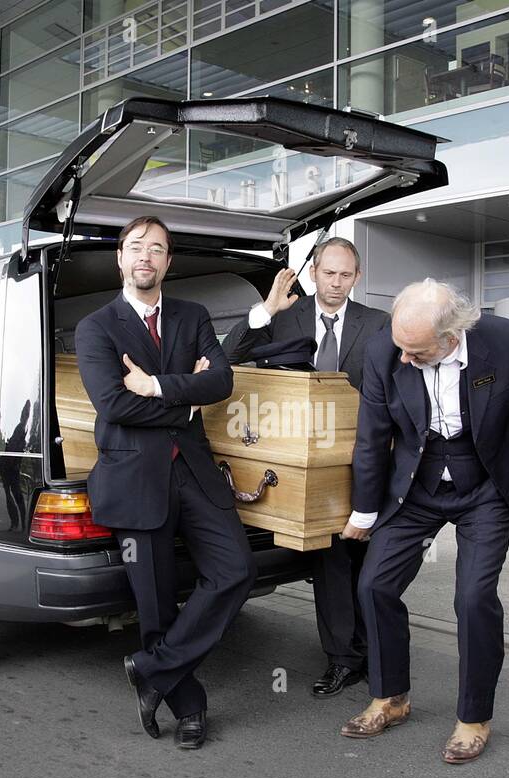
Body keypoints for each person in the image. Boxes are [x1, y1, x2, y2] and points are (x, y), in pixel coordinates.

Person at [338, 280, 509, 764]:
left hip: (485, 485)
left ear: (453, 334)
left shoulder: (501, 340)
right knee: (374, 585)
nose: (404, 360)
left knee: (474, 599)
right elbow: (371, 436)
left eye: (417, 352)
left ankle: (474, 717)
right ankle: (390, 697)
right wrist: (364, 512)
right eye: (401, 348)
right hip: (416, 482)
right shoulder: (384, 350)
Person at [74, 215, 258, 750]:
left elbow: (220, 380)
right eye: (136, 247)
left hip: (195, 470)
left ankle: (150, 668)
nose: (146, 257)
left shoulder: (192, 315)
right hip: (134, 478)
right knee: (155, 603)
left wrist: (154, 385)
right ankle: (191, 708)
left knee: (235, 570)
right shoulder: (97, 327)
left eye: (157, 248)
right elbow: (113, 403)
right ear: (121, 258)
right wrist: (184, 399)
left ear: (168, 261)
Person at [223, 237, 386, 697]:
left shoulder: (378, 324)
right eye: (328, 273)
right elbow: (230, 358)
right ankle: (342, 660)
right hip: (304, 468)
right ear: (312, 272)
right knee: (330, 563)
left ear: (357, 278)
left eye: (345, 275)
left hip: (363, 463)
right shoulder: (285, 318)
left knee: (371, 566)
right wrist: (266, 310)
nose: (335, 283)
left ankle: (378, 656)